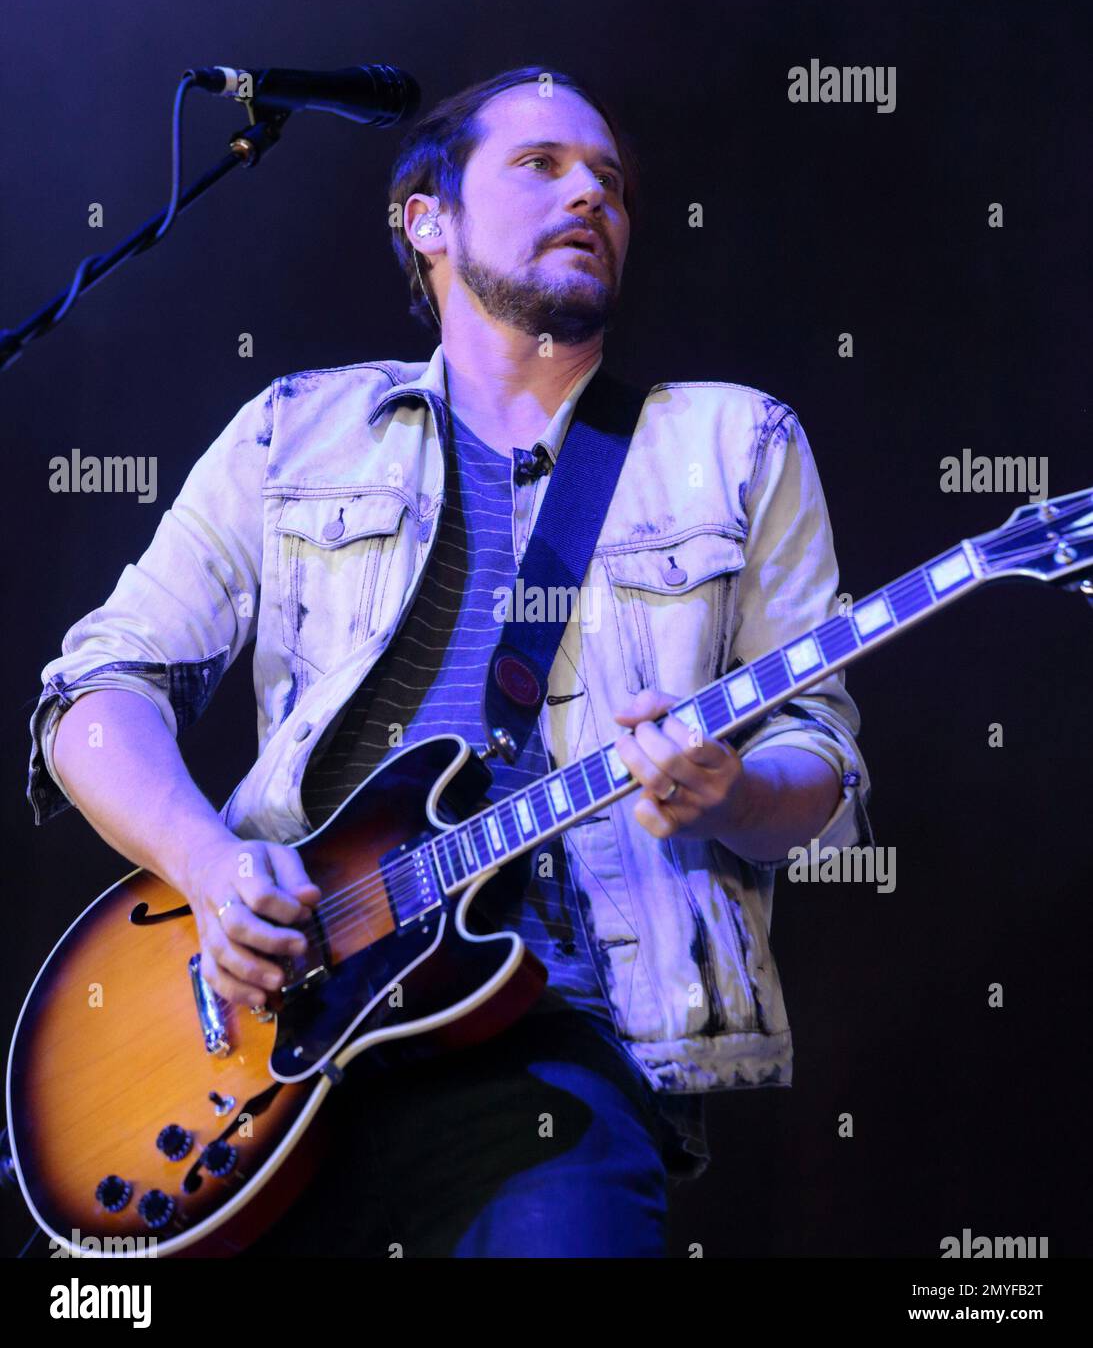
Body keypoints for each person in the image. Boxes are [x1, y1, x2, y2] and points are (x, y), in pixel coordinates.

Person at [27, 65, 872, 1258]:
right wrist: (212, 867)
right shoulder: (294, 428)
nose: (592, 195)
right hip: (260, 1037)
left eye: (613, 184)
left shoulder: (735, 444)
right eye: (543, 165)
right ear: (428, 220)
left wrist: (733, 790)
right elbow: (96, 689)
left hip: (547, 1047)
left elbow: (819, 762)